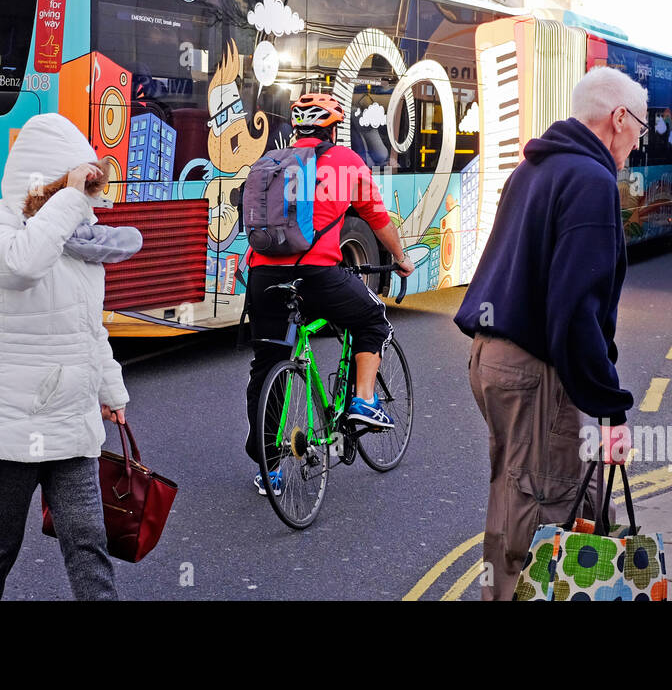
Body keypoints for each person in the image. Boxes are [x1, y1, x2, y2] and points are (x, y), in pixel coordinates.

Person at [454, 66, 642, 602]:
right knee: (543, 511)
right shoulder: (590, 179)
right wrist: (609, 409)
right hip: (534, 367)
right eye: (639, 130)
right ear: (618, 117)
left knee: (514, 497)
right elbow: (576, 309)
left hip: (493, 358)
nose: (636, 143)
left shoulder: (534, 169)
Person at [0, 113, 142, 601]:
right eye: (73, 183)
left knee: (88, 546)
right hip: (9, 423)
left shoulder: (78, 243)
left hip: (72, 421)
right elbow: (24, 265)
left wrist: (111, 391)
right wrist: (70, 199)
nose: (86, 196)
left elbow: (88, 327)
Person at [244, 92, 414, 495]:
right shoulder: (347, 162)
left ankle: (269, 466)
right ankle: (364, 402)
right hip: (318, 275)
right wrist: (400, 257)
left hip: (263, 274)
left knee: (268, 364)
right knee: (372, 318)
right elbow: (377, 218)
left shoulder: (269, 163)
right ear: (333, 128)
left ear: (296, 127)